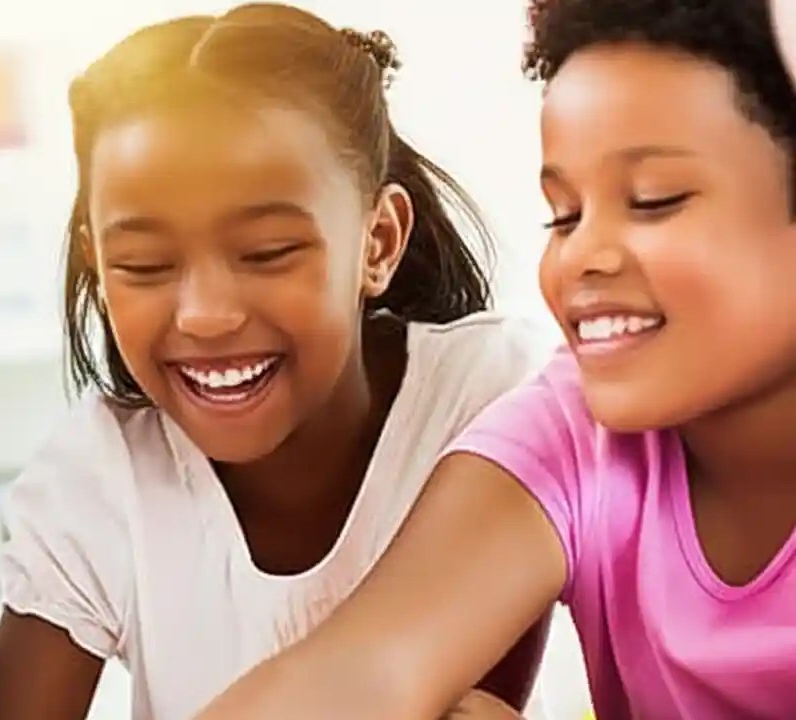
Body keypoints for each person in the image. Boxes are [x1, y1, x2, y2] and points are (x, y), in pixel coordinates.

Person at [196, 1, 796, 717]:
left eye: (653, 200)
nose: (581, 256)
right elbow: (357, 673)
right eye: (564, 215)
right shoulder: (576, 434)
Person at [0, 4, 551, 719]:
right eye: (144, 264)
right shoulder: (100, 477)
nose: (205, 314)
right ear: (97, 259)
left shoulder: (492, 398)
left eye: (268, 253)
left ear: (378, 241)